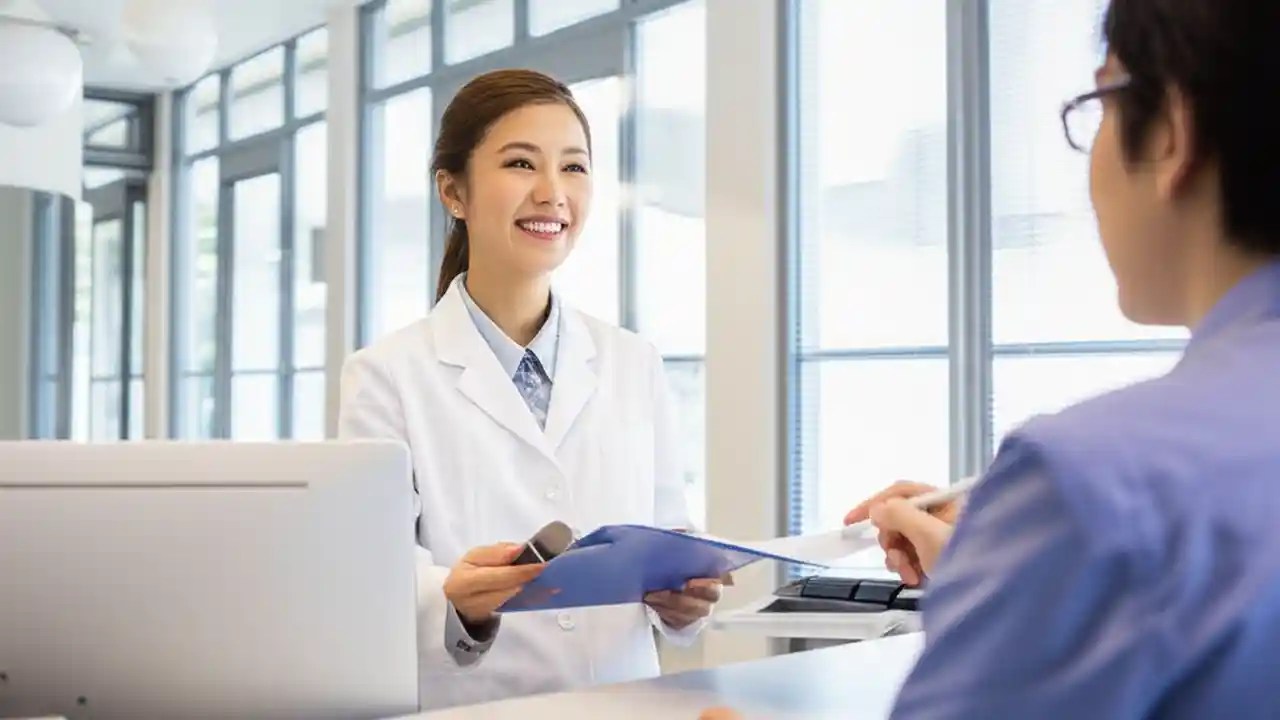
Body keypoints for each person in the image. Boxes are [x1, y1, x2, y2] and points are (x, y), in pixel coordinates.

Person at [705, 0, 1280, 717]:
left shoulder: (1093, 479)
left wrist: (1041, 548)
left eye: (1101, 99)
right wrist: (1013, 576)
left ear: (1171, 132)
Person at [339, 69, 721, 710]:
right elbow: (369, 579)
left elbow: (667, 541)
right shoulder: (386, 375)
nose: (552, 193)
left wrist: (684, 602)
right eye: (521, 163)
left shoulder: (633, 362)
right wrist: (456, 600)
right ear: (453, 191)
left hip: (623, 702)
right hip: (477, 704)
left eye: (574, 168)